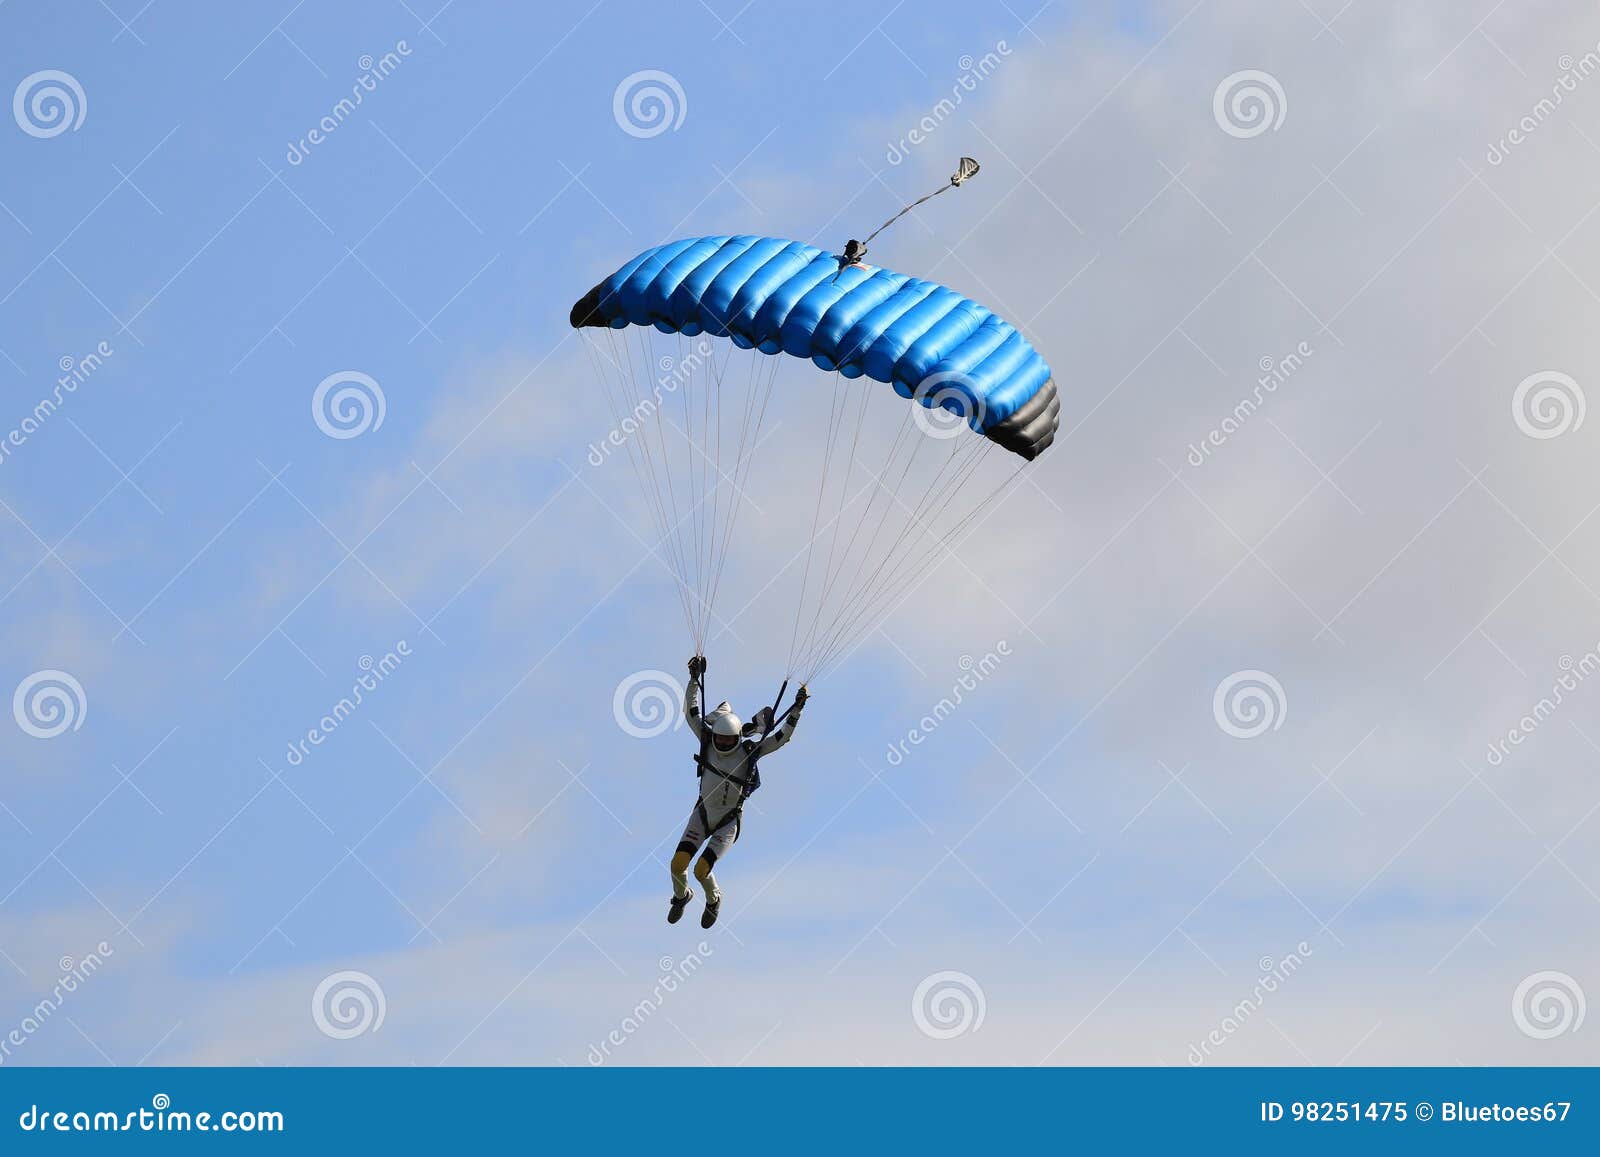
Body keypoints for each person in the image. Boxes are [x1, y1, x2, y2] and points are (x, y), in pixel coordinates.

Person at [669, 655, 808, 928]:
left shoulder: (749, 752)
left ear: (736, 738)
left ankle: (713, 899)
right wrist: (694, 679)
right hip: (703, 812)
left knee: (701, 870)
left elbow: (782, 738)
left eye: (727, 739)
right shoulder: (706, 740)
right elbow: (691, 712)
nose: (721, 742)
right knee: (677, 865)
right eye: (719, 737)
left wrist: (797, 710)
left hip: (728, 821)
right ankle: (681, 896)